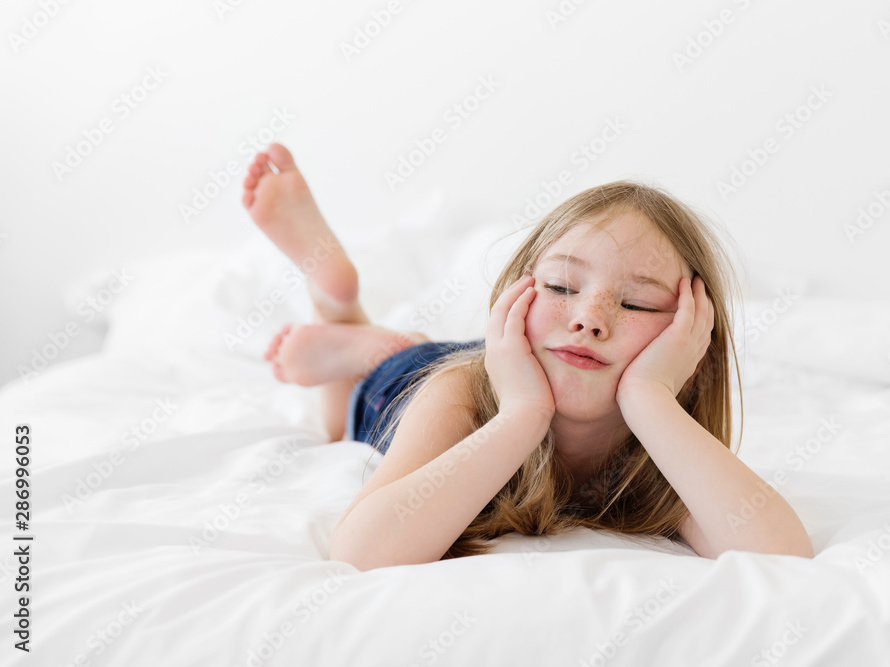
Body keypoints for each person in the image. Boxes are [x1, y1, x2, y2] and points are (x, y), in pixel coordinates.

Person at [242, 143, 814, 571]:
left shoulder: (663, 447)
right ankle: (348, 320)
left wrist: (649, 398)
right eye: (563, 288)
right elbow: (361, 553)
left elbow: (781, 555)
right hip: (421, 380)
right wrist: (520, 415)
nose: (589, 318)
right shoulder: (459, 396)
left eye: (636, 302)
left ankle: (359, 327)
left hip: (538, 363)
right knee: (338, 420)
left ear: (692, 336)